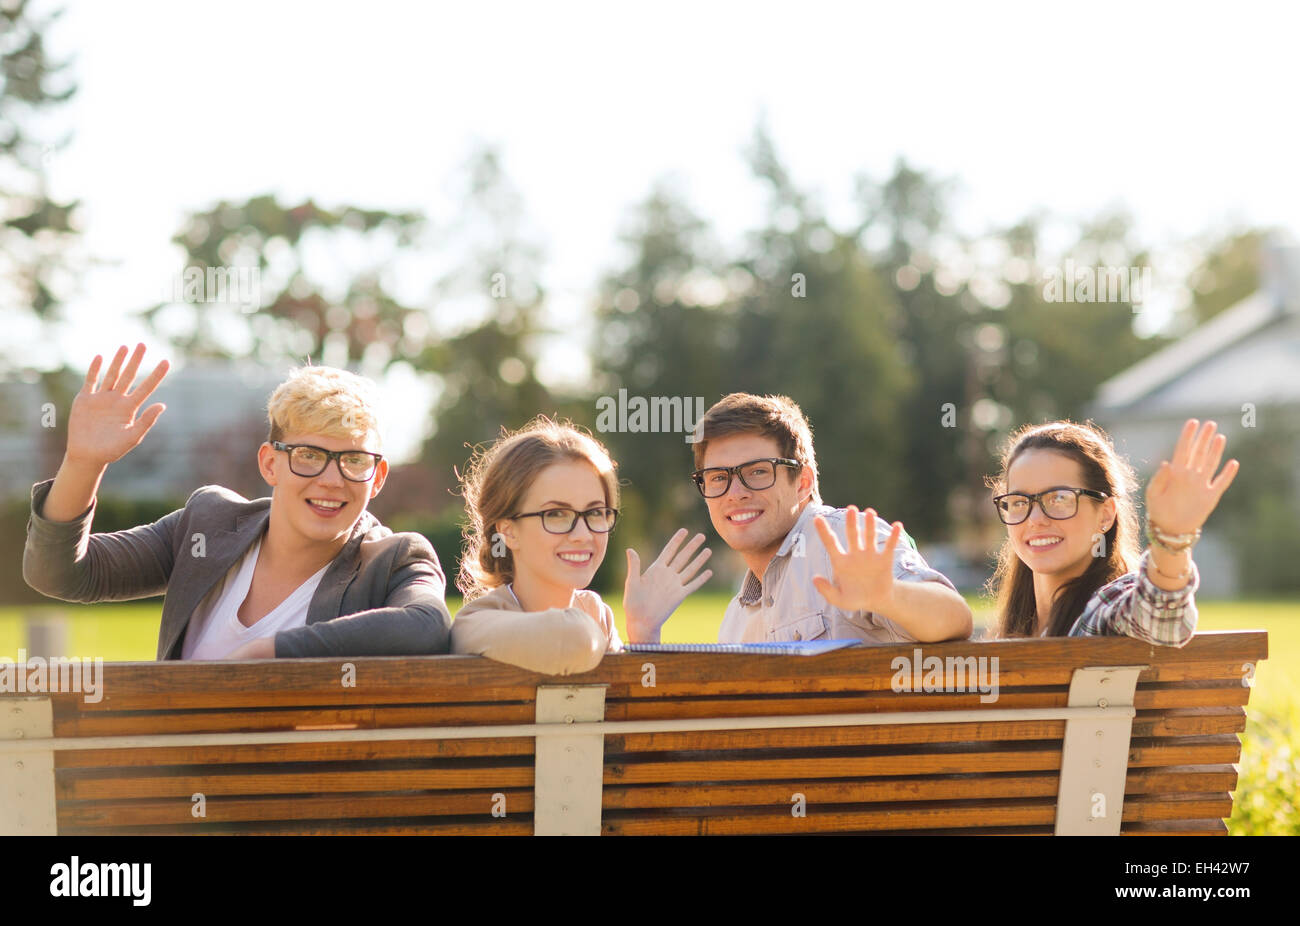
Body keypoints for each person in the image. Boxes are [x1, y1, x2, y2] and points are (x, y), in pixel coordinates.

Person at [23, 343, 452, 660]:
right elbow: (59, 573)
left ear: (376, 477)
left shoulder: (394, 560)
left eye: (353, 461)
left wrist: (270, 651)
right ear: (270, 464)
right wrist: (82, 463)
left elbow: (427, 625)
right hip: (176, 778)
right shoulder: (207, 526)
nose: (331, 480)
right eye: (308, 456)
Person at [627, 392, 972, 645]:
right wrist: (644, 635)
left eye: (757, 472)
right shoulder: (736, 618)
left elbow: (955, 618)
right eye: (718, 477)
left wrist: (887, 596)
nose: (735, 493)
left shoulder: (841, 543)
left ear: (803, 483)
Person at [452, 416, 712, 674]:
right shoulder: (475, 621)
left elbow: (635, 706)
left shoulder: (595, 613)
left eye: (595, 513)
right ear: (508, 531)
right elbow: (572, 640)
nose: (582, 534)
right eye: (555, 514)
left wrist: (644, 632)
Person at [987, 418, 1237, 643]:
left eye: (1059, 498)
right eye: (1019, 502)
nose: (1036, 518)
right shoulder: (1011, 626)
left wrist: (1171, 538)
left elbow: (1163, 621)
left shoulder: (1105, 610)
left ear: (1105, 514)